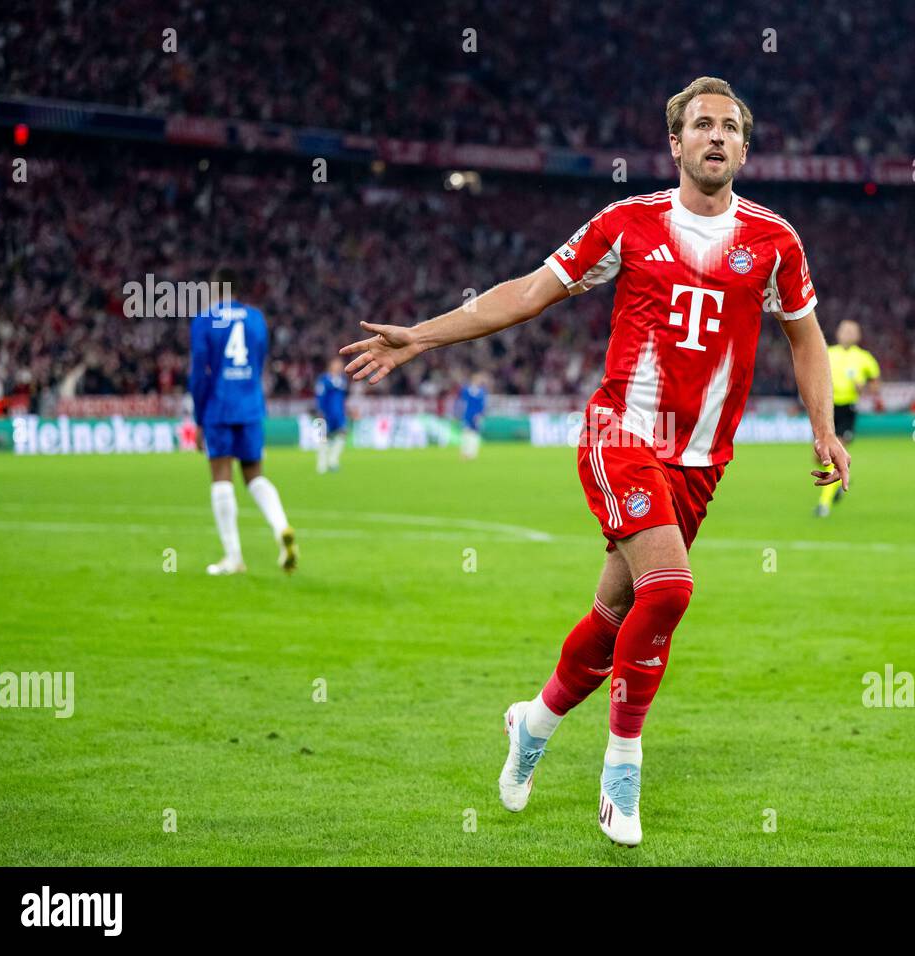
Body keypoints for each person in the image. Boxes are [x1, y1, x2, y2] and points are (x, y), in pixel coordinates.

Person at [339, 77, 848, 846]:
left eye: (731, 128)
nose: (717, 138)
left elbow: (804, 339)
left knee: (616, 620)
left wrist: (824, 426)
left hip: (701, 462)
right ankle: (621, 769)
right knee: (671, 590)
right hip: (621, 436)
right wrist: (425, 334)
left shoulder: (775, 241)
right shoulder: (626, 223)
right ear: (675, 143)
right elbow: (527, 293)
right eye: (702, 126)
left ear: (745, 146)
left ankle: (532, 725)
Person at [189, 268, 298, 575]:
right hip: (250, 405)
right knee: (255, 475)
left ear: (215, 289)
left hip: (219, 407)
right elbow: (259, 362)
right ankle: (281, 529)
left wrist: (199, 418)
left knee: (222, 476)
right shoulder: (256, 318)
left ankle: (234, 557)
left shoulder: (205, 320)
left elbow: (199, 373)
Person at [815, 319, 880, 516]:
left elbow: (876, 385)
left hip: (847, 410)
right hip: (827, 408)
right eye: (844, 330)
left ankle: (823, 505)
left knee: (834, 455)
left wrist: (864, 387)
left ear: (858, 335)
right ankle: (841, 480)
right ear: (838, 332)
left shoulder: (864, 358)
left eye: (852, 331)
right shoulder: (827, 352)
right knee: (819, 456)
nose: (847, 334)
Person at [314, 357, 349, 474]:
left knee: (342, 434)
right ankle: (322, 464)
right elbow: (319, 396)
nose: (339, 366)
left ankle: (333, 461)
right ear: (331, 365)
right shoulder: (323, 380)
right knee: (324, 439)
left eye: (340, 364)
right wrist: (320, 411)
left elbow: (343, 398)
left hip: (339, 414)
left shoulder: (342, 380)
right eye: (336, 364)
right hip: (327, 413)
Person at [456, 372, 488, 460]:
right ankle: (464, 453)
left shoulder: (482, 392)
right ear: (473, 380)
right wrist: (459, 413)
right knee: (466, 433)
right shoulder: (466, 390)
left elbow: (483, 405)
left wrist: (481, 414)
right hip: (467, 415)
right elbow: (461, 402)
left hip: (476, 416)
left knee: (475, 434)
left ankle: (472, 453)